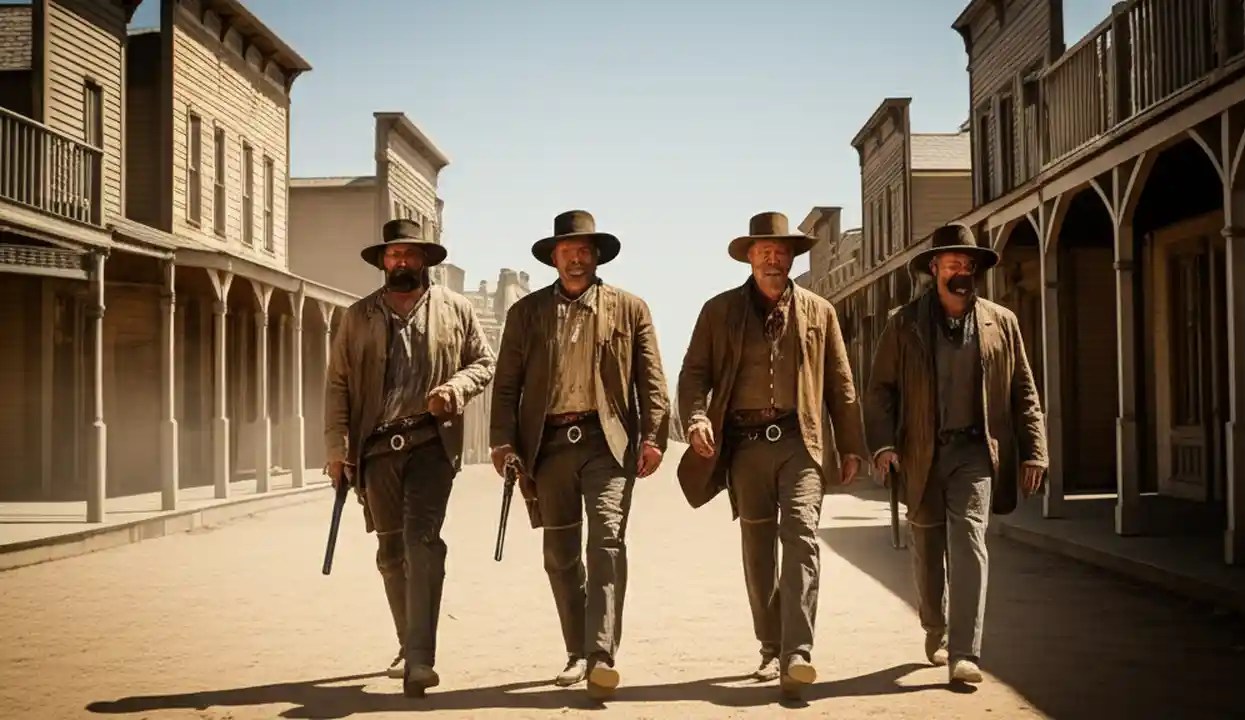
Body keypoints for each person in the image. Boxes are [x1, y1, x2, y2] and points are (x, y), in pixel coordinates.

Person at [676, 211, 868, 698]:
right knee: (758, 549)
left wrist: (851, 446)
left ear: (792, 258)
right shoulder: (718, 311)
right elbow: (693, 374)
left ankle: (798, 651)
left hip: (799, 442)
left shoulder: (820, 312)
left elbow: (841, 384)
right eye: (764, 252)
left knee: (801, 535)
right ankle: (770, 645)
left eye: (781, 252)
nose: (773, 259)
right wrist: (696, 417)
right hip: (743, 446)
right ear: (749, 258)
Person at [489, 209, 670, 700]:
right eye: (567, 251)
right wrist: (503, 443)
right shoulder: (525, 315)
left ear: (596, 257)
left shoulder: (630, 308)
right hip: (547, 447)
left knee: (607, 542)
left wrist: (654, 436)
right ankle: (577, 651)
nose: (576, 259)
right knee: (560, 554)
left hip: (606, 444)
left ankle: (602, 655)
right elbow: (505, 387)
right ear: (554, 257)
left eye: (584, 251)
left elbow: (651, 380)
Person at [863, 224, 1048, 685]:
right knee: (927, 548)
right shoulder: (903, 323)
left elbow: (1024, 390)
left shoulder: (1000, 323)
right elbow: (880, 391)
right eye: (952, 264)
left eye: (968, 264)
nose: (962, 271)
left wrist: (1035, 450)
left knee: (969, 543)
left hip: (975, 453)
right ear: (934, 269)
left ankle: (965, 652)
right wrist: (883, 445)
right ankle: (934, 624)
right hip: (921, 454)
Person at [324, 218, 496, 697]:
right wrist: (337, 449)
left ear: (425, 260)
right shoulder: (357, 316)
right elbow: (337, 384)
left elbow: (483, 363)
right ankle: (407, 642)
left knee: (423, 543)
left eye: (410, 255)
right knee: (391, 551)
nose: (401, 262)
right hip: (375, 449)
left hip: (430, 444)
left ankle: (421, 658)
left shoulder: (456, 309)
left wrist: (455, 389)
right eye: (393, 255)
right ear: (383, 261)